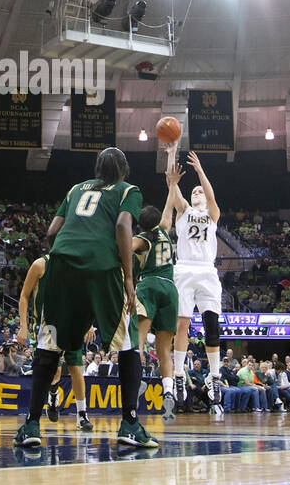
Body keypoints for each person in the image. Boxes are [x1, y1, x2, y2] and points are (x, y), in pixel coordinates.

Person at [15, 147, 156, 449]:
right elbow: (122, 225)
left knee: (49, 346)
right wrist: (129, 278)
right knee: (128, 345)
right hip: (102, 268)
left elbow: (52, 231)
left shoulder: (76, 189)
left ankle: (30, 425)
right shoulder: (128, 189)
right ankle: (130, 424)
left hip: (62, 264)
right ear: (124, 169)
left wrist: (68, 254)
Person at [169, 151, 225, 418]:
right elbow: (172, 185)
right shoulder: (184, 211)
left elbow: (212, 197)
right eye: (194, 191)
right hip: (184, 269)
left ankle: (215, 377)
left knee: (212, 325)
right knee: (182, 322)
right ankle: (179, 372)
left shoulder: (212, 214)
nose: (197, 193)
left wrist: (201, 171)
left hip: (207, 271)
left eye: (199, 191)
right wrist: (171, 154)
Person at [17, 255, 93, 430]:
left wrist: (88, 324)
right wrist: (23, 326)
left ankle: (82, 415)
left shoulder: (76, 265)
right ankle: (52, 394)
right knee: (55, 371)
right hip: (48, 325)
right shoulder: (40, 264)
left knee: (76, 367)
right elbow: (24, 296)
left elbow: (84, 296)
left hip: (72, 323)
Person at [132, 166, 182, 422]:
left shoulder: (142, 237)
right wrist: (172, 184)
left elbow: (126, 247)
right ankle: (169, 391)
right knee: (165, 349)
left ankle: (137, 382)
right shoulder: (164, 228)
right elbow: (169, 207)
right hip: (170, 289)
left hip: (149, 284)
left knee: (138, 341)